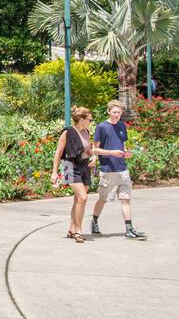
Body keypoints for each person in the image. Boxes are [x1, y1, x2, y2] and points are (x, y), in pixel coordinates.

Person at [92, 98, 145, 239]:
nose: (117, 115)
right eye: (114, 112)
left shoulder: (122, 126)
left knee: (126, 199)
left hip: (123, 169)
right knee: (103, 199)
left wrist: (126, 153)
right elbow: (95, 149)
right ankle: (94, 221)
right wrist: (111, 153)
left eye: (119, 112)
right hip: (108, 170)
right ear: (108, 111)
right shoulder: (101, 127)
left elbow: (123, 145)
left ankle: (129, 229)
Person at [52, 106, 95, 243]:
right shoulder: (68, 133)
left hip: (84, 166)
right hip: (69, 166)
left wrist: (93, 157)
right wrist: (54, 173)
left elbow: (89, 149)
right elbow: (58, 153)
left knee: (78, 200)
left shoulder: (86, 132)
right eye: (90, 119)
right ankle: (78, 230)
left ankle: (72, 229)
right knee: (83, 198)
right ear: (82, 119)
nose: (91, 121)